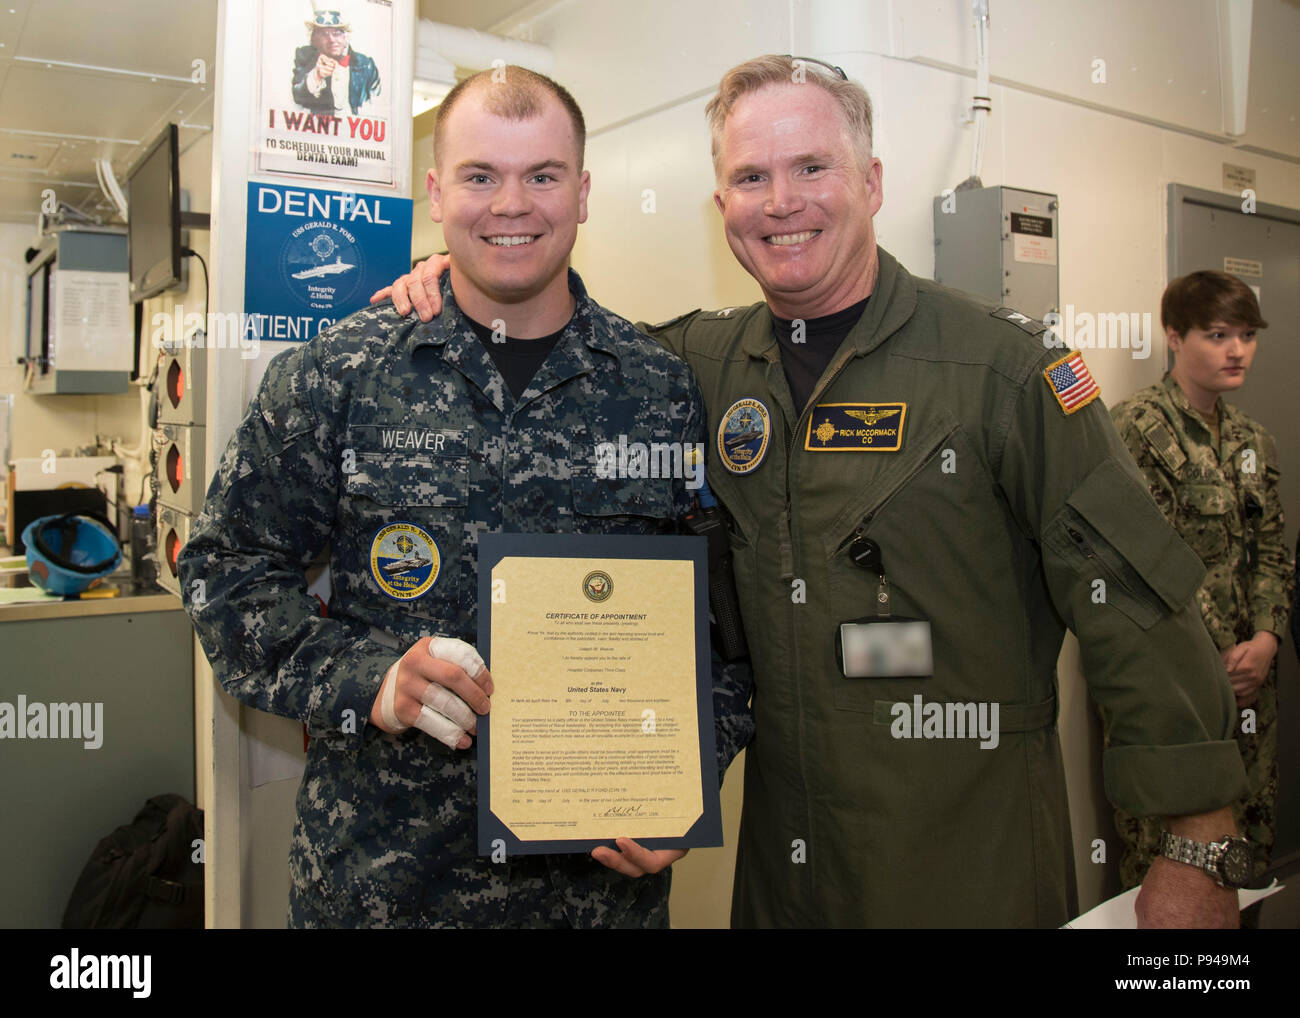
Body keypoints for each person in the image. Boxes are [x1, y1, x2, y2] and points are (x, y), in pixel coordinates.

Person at [376, 55, 1251, 928]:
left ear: (870, 183)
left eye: (811, 168)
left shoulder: (1005, 369)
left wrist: (1199, 844)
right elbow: (558, 331)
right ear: (722, 207)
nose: (781, 202)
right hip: (788, 868)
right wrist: (460, 270)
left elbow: (1133, 598)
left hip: (965, 857)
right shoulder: (697, 364)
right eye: (750, 177)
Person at [180, 66, 752, 928]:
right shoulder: (343, 373)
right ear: (436, 192)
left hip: (593, 900)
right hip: (382, 890)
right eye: (481, 176)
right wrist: (369, 678)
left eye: (542, 176)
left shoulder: (660, 389)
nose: (511, 205)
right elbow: (224, 571)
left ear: (585, 192)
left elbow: (727, 632)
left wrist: (686, 776)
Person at [1108, 273, 1292, 895]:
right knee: (1174, 860)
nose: (1236, 350)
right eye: (1217, 335)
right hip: (1175, 686)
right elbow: (1148, 557)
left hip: (1250, 682)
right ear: (1175, 337)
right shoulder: (1134, 427)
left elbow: (1272, 549)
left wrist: (1266, 638)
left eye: (1246, 335)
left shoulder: (1253, 439)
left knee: (1247, 850)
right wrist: (1217, 651)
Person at [292, 9, 381, 116]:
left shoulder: (366, 65)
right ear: (314, 39)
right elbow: (298, 96)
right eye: (324, 34)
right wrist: (317, 76)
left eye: (336, 33)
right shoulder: (305, 56)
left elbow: (378, 105)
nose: (332, 40)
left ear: (345, 37)